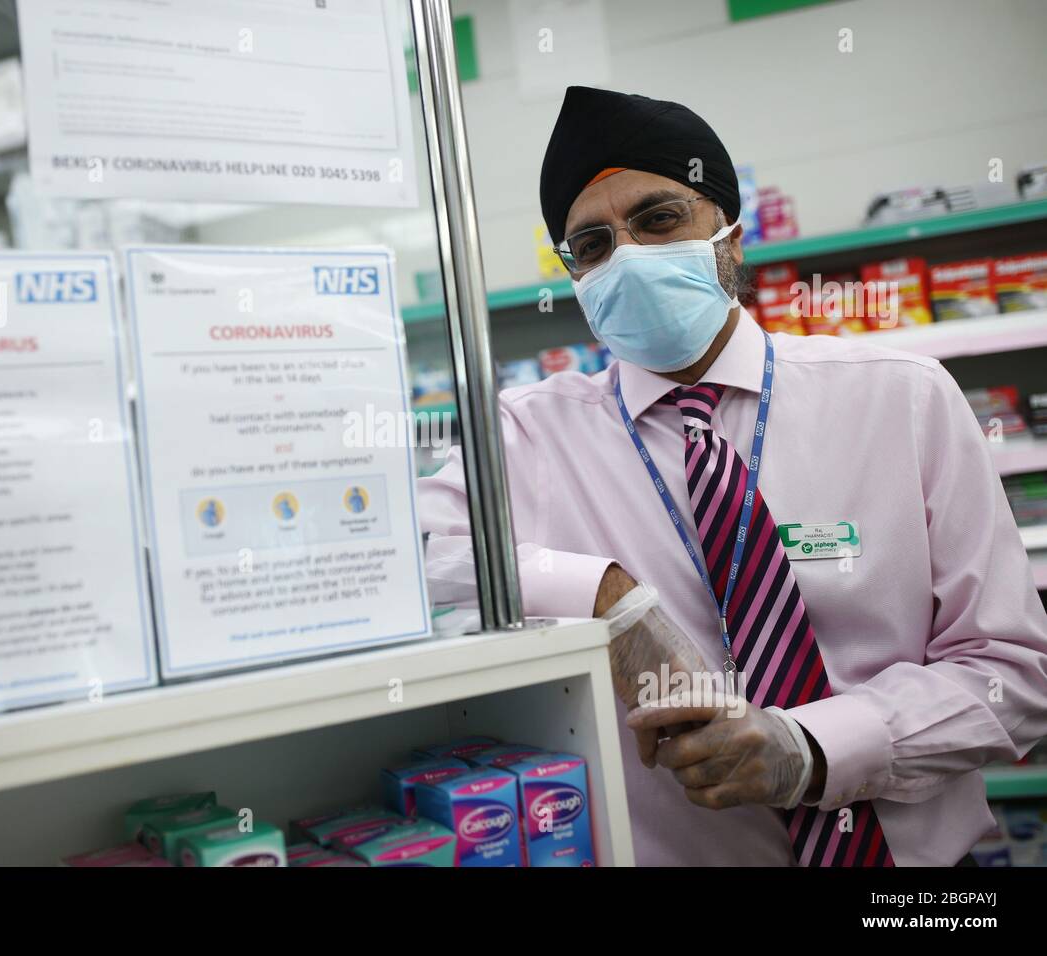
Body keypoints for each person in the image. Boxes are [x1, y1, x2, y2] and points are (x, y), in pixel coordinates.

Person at [418, 86, 1047, 866]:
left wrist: (814, 748)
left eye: (658, 220)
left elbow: (1014, 674)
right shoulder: (525, 434)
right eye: (593, 245)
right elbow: (394, 557)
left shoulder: (900, 395)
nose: (629, 259)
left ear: (730, 235)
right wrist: (601, 597)